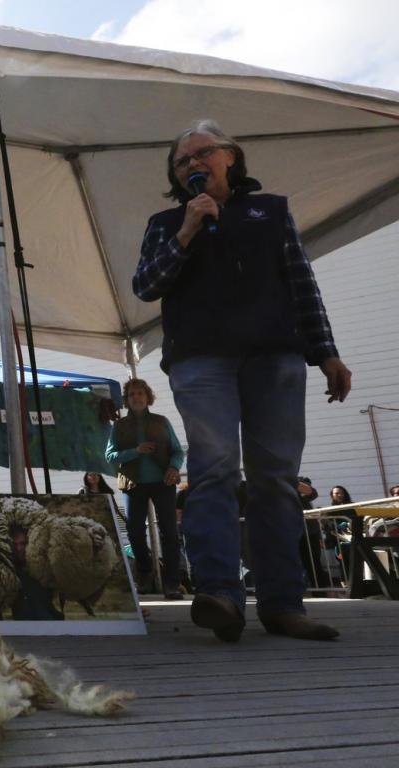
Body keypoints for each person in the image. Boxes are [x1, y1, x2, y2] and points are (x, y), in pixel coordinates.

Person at [133, 119, 352, 642]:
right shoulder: (165, 223)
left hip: (273, 356)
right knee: (213, 470)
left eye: (201, 153)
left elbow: (301, 282)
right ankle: (219, 596)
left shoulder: (270, 211)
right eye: (182, 161)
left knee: (275, 476)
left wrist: (326, 352)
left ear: (230, 157)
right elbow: (146, 286)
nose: (192, 164)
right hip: (200, 361)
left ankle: (283, 605)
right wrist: (187, 231)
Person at [105, 379, 186, 599]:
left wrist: (173, 467)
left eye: (140, 393)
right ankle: (145, 571)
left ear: (148, 396)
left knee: (169, 532)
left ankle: (172, 582)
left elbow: (178, 451)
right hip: (133, 483)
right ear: (127, 400)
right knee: (135, 533)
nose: (137, 397)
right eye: (132, 394)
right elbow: (110, 456)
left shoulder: (162, 422)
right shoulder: (119, 426)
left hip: (163, 482)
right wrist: (135, 451)